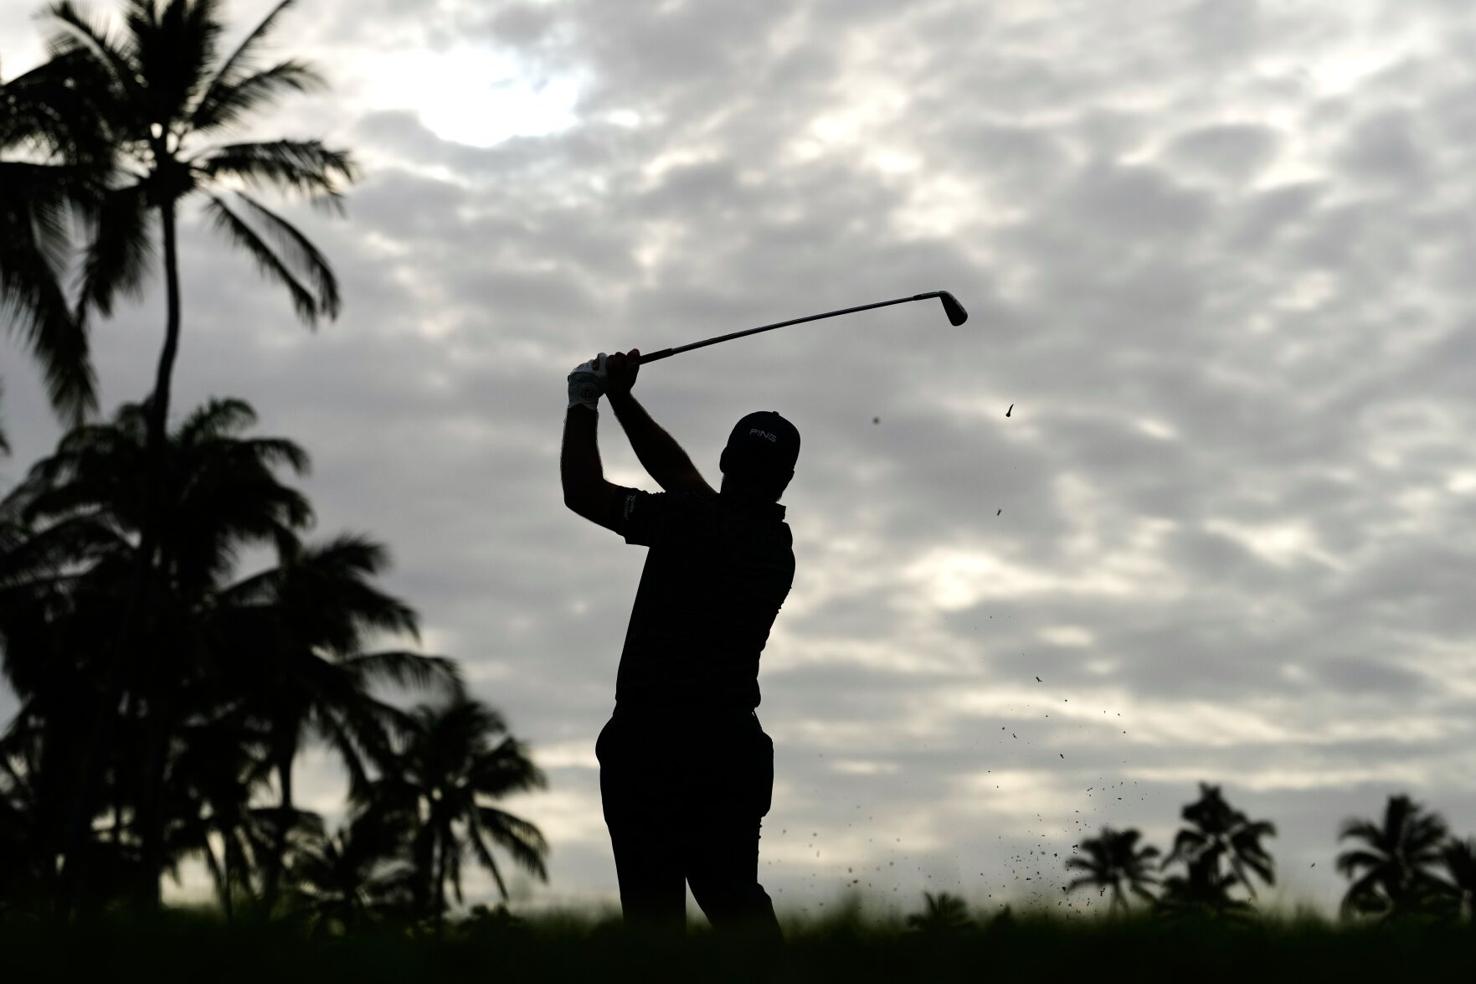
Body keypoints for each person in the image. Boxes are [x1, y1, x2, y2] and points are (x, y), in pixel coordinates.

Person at [561, 349, 798, 942]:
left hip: (649, 750)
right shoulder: (775, 550)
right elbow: (682, 481)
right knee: (736, 903)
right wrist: (619, 398)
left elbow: (582, 491)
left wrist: (586, 402)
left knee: (654, 927)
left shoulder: (688, 518)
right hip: (727, 753)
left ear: (724, 460)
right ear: (784, 481)